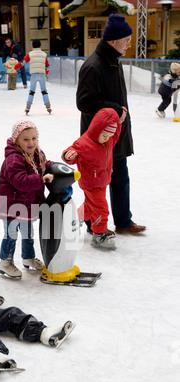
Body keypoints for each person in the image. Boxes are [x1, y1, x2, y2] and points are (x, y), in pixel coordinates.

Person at [76, 14, 146, 235]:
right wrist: (116, 110)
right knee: (96, 184)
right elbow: (84, 102)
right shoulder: (94, 66)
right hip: (99, 138)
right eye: (126, 40)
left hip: (115, 135)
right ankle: (92, 225)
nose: (128, 44)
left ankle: (123, 221)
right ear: (114, 41)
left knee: (120, 178)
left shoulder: (112, 61)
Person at [0, 120, 54, 278]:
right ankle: (5, 262)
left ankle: (28, 257)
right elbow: (21, 182)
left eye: (34, 138)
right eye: (26, 139)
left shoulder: (37, 154)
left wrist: (55, 167)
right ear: (16, 140)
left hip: (25, 204)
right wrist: (42, 180)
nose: (31, 142)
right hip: (11, 204)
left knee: (28, 233)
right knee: (11, 234)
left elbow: (44, 165)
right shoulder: (13, 160)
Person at [62, 108, 121, 250]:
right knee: (101, 208)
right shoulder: (84, 143)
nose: (107, 139)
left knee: (91, 206)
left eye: (109, 136)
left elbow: (116, 134)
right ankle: (99, 236)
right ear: (96, 128)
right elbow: (69, 153)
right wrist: (68, 155)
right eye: (104, 135)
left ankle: (73, 220)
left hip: (101, 181)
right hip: (91, 183)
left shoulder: (108, 141)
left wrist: (119, 121)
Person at [15, 39, 51, 115]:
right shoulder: (44, 54)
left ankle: (28, 107)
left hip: (34, 75)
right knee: (44, 91)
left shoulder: (30, 54)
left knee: (31, 92)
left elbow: (23, 62)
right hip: (42, 74)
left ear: (33, 45)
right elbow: (47, 65)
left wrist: (14, 68)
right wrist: (46, 73)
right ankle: (48, 106)